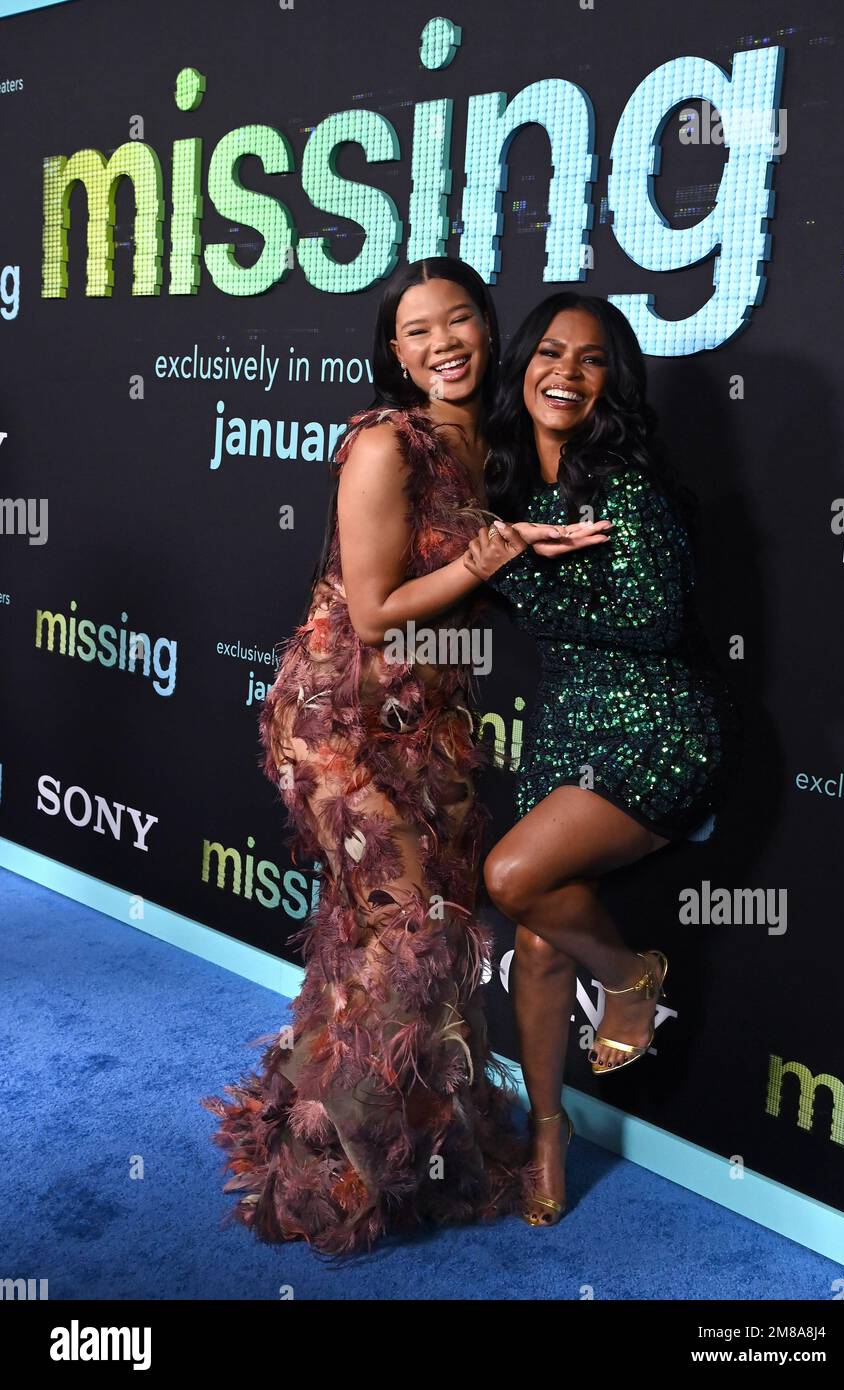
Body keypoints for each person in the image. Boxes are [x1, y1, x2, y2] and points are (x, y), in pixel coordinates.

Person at [200, 260, 603, 1255]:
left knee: (399, 938)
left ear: (486, 324)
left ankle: (421, 1151)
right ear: (396, 352)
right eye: (418, 331)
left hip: (433, 719)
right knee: (407, 937)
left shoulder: (497, 440)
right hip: (342, 719)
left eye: (459, 319)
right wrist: (491, 554)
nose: (444, 343)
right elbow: (377, 611)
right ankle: (325, 1178)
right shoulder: (386, 442)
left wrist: (525, 547)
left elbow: (487, 566)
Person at [462, 293, 743, 1227]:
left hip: (660, 723)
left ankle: (629, 979)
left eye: (591, 362)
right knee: (537, 935)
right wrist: (503, 551)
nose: (566, 373)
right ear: (523, 368)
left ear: (612, 386)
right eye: (550, 352)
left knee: (511, 875)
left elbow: (652, 621)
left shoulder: (622, 486)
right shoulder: (509, 490)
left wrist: (519, 569)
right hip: (567, 725)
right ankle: (549, 1129)